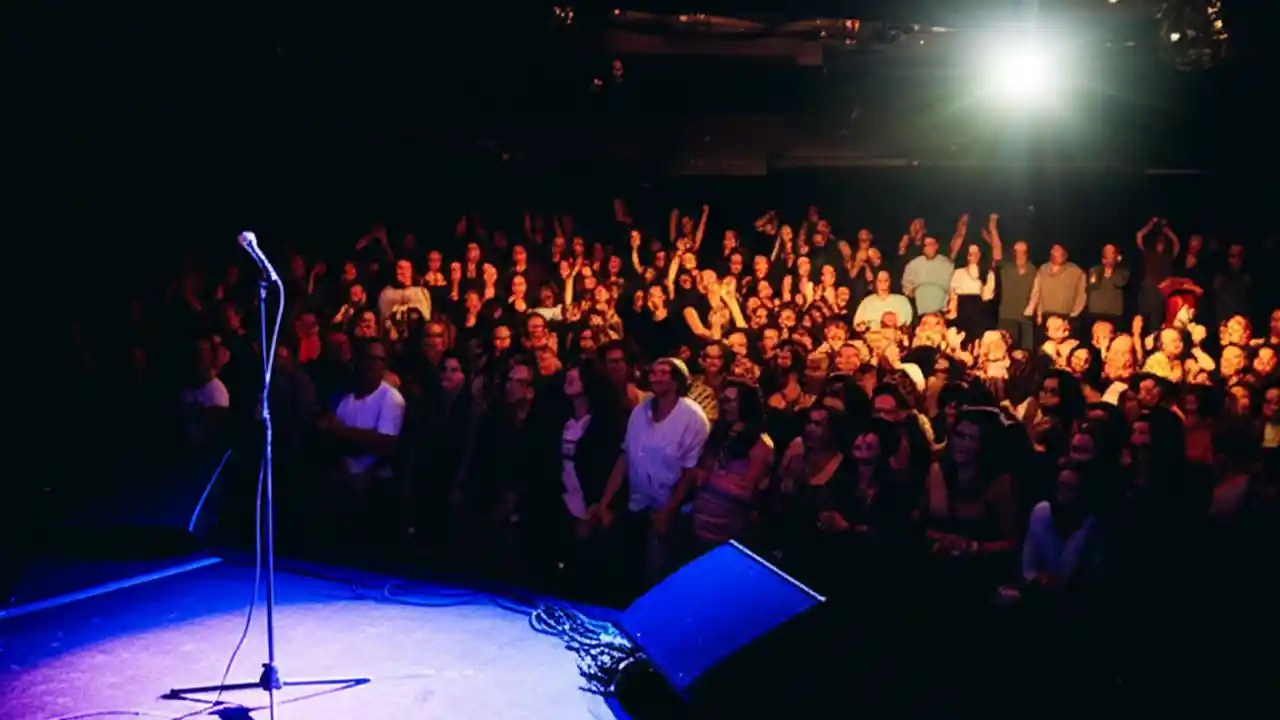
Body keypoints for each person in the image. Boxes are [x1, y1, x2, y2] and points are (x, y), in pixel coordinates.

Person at [599, 358, 710, 590]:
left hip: (670, 510)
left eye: (663, 373)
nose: (655, 378)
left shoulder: (692, 418)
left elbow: (690, 473)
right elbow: (625, 457)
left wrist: (667, 513)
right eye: (653, 373)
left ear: (677, 380)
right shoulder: (640, 411)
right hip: (637, 505)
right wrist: (605, 502)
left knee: (658, 575)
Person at [692, 379, 775, 548]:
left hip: (729, 535)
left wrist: (713, 478)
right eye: (722, 401)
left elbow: (746, 491)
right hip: (698, 526)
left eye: (730, 401)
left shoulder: (761, 445)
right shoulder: (717, 435)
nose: (725, 406)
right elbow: (699, 474)